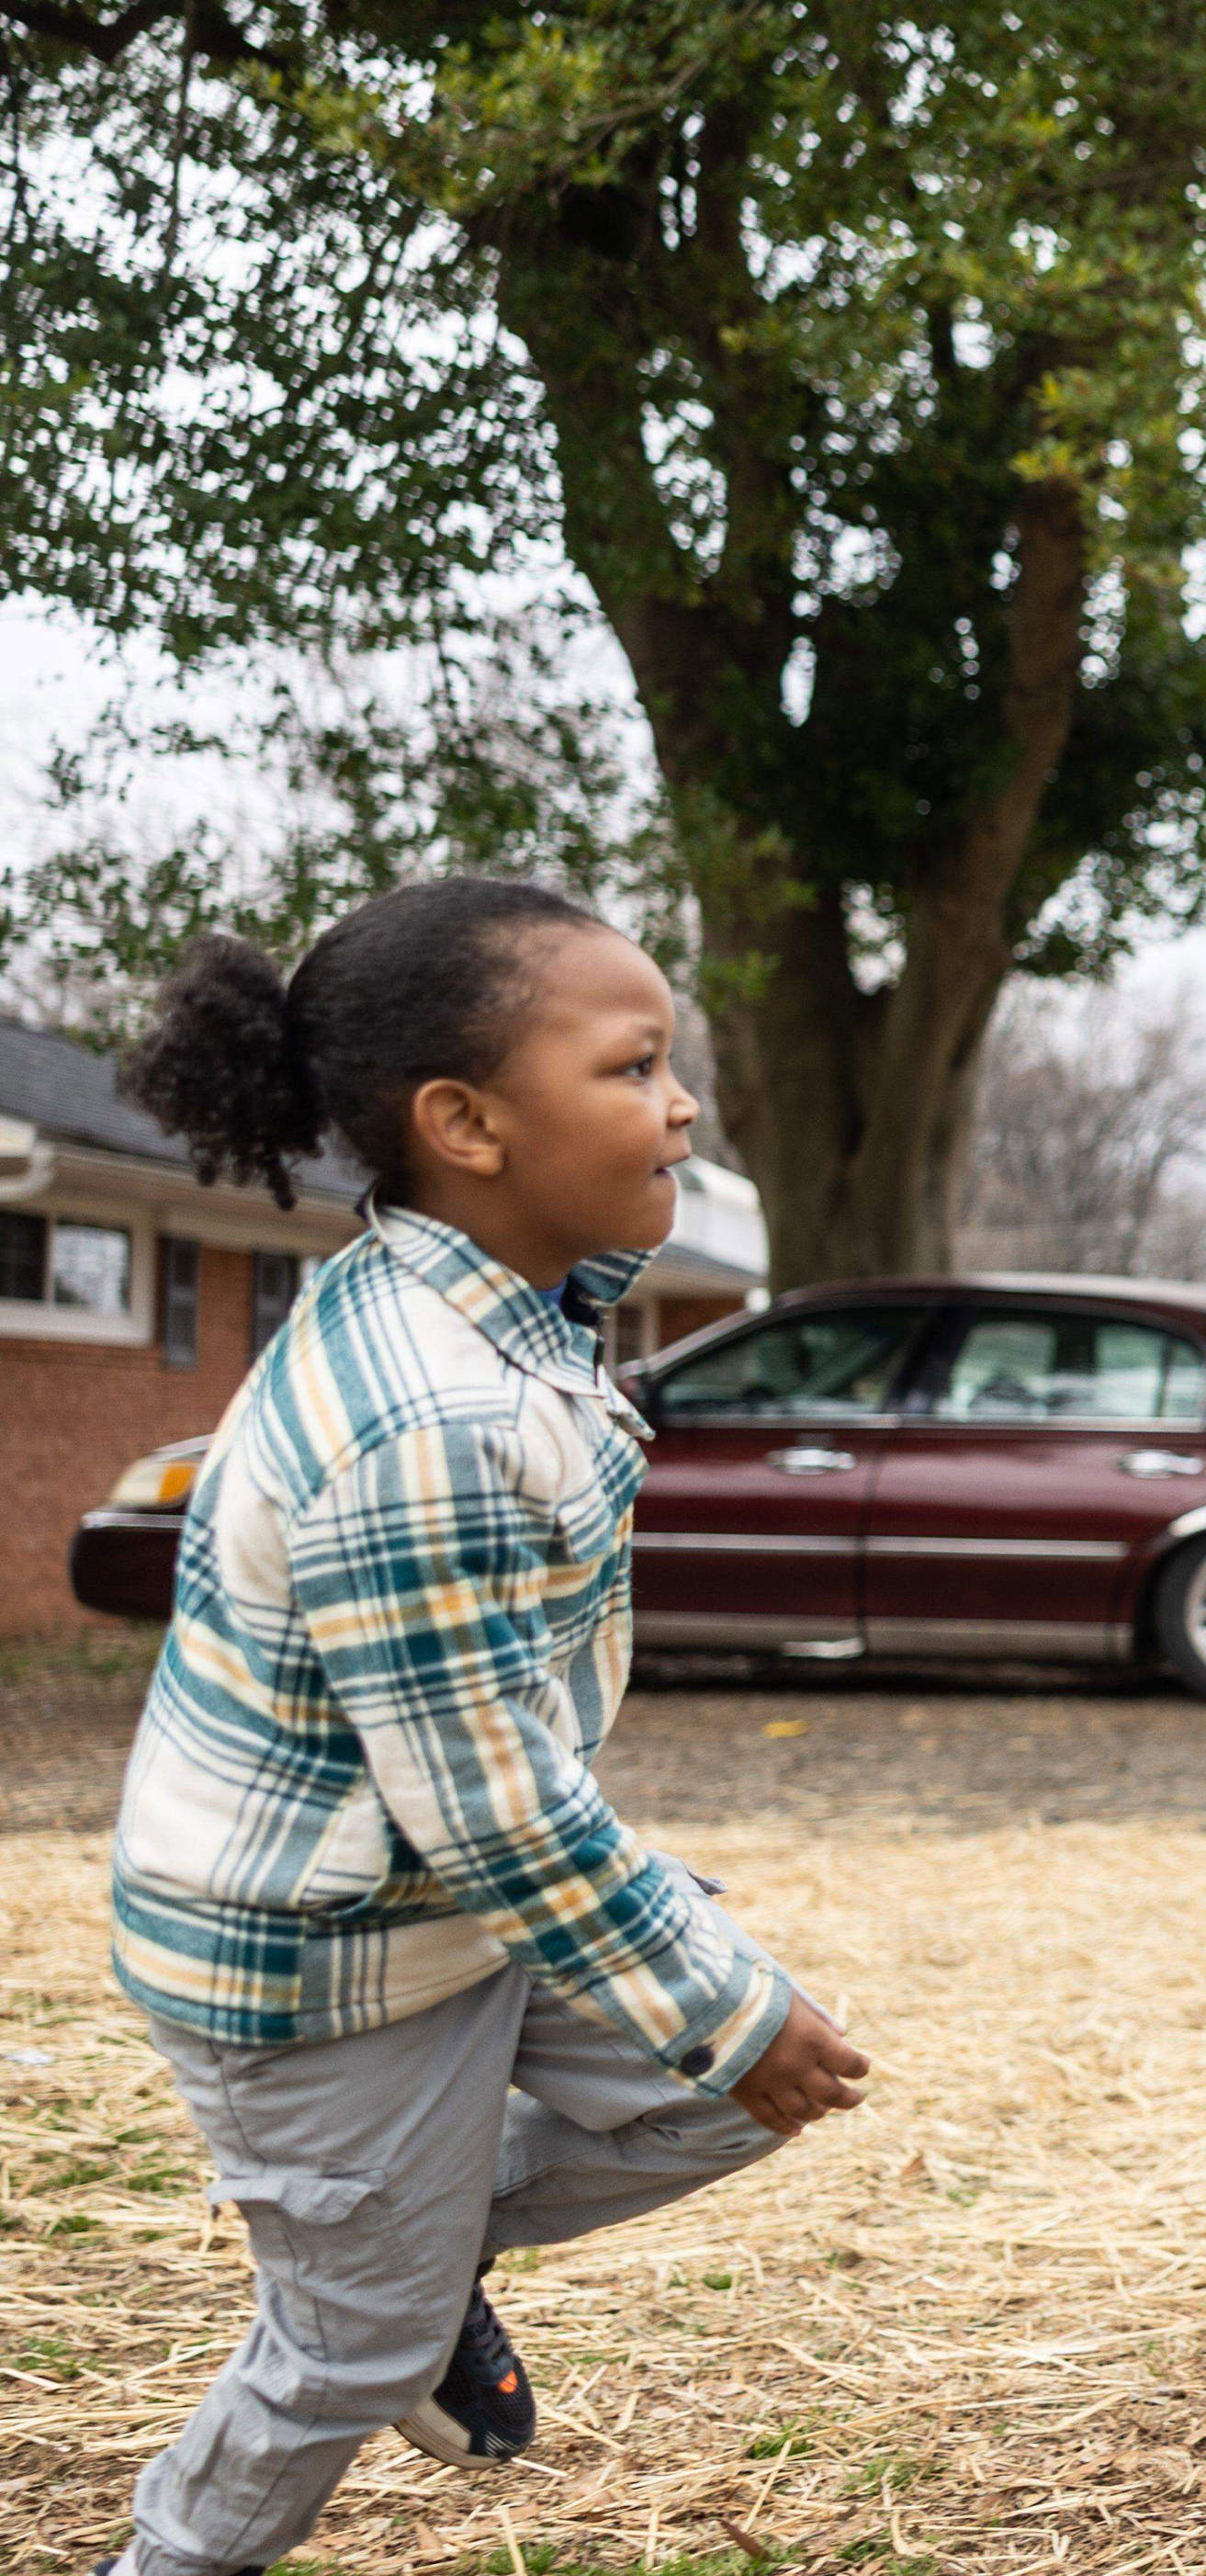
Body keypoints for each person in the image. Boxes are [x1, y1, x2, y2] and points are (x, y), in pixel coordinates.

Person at [94, 879, 873, 2576]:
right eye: (634, 1067)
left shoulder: (500, 1298)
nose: (680, 1106)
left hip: (432, 1913)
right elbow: (498, 1812)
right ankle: (194, 2529)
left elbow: (489, 1825)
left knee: (724, 2091)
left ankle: (406, 2252)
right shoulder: (422, 1420)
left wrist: (721, 2026)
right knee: (342, 2355)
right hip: (316, 1963)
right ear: (465, 1125)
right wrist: (723, 2003)